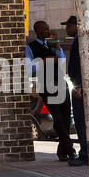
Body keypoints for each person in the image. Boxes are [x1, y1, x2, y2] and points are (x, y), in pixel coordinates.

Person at [27, 21, 73, 161]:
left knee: (65, 119)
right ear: (37, 31)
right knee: (58, 118)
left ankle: (62, 151)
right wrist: (44, 61)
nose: (46, 31)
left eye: (47, 28)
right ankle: (70, 150)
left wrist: (58, 46)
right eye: (43, 29)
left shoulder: (53, 44)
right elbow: (29, 68)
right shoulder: (30, 47)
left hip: (61, 83)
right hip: (46, 85)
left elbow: (62, 61)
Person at [64, 15, 87, 166]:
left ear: (75, 25)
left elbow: (80, 64)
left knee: (81, 121)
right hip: (81, 85)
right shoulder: (79, 39)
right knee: (82, 121)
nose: (66, 29)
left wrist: (77, 85)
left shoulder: (80, 39)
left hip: (80, 87)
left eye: (68, 26)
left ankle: (85, 154)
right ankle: (85, 152)